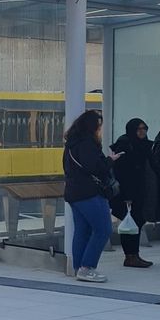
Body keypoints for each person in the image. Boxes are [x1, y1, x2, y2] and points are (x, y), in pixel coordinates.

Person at [62, 110, 121, 283]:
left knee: (82, 230)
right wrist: (110, 160)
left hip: (74, 193)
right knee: (103, 229)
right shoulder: (87, 143)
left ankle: (78, 268)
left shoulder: (71, 144)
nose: (100, 130)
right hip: (89, 193)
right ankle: (87, 268)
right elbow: (95, 167)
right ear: (92, 127)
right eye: (99, 126)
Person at [109, 118, 157, 268]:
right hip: (127, 194)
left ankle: (134, 254)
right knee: (130, 223)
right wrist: (127, 196)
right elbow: (122, 172)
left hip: (140, 191)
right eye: (139, 129)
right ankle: (130, 256)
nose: (142, 131)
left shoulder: (143, 145)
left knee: (137, 222)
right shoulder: (125, 144)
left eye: (145, 128)